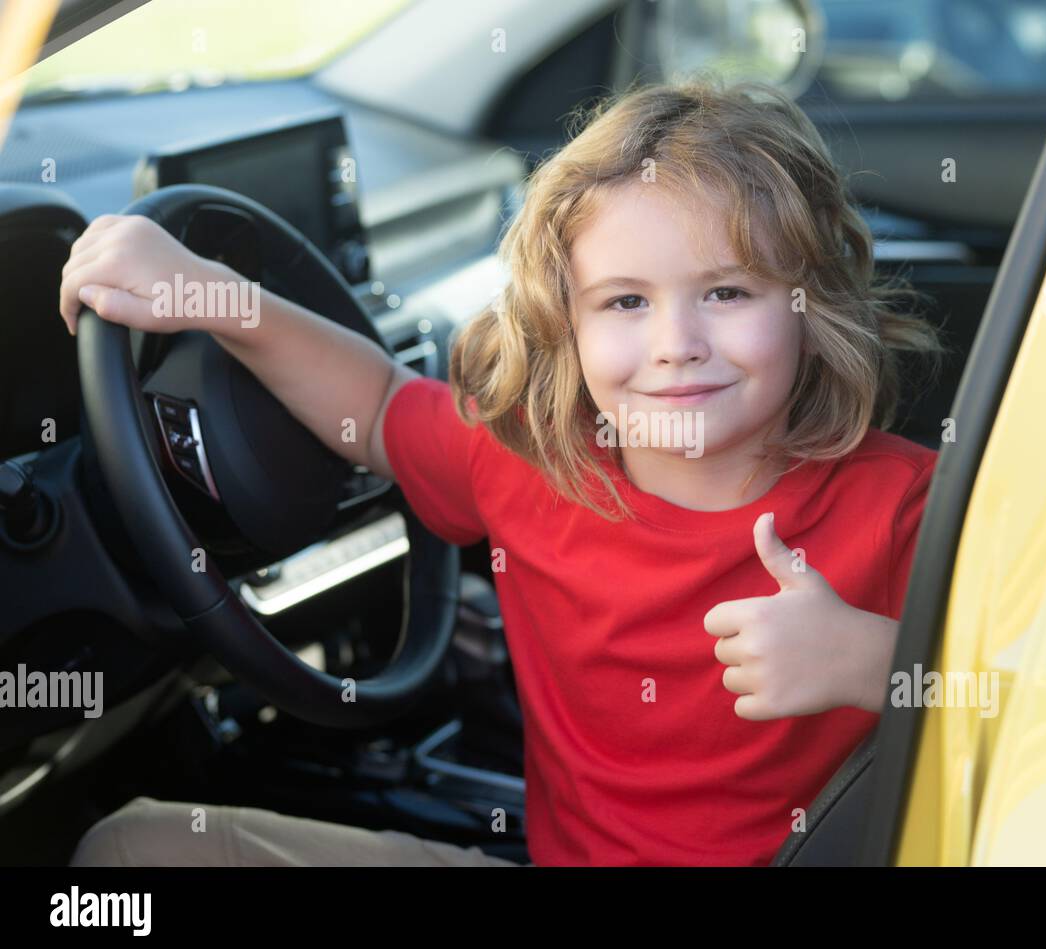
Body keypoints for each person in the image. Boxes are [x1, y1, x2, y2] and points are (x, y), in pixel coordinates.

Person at [60, 77, 944, 866]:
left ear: (810, 308)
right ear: (566, 324)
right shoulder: (531, 460)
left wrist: (879, 663)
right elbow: (376, 405)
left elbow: (1029, 706)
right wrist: (209, 294)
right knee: (133, 849)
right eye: (625, 301)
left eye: (727, 292)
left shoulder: (915, 509)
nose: (676, 344)